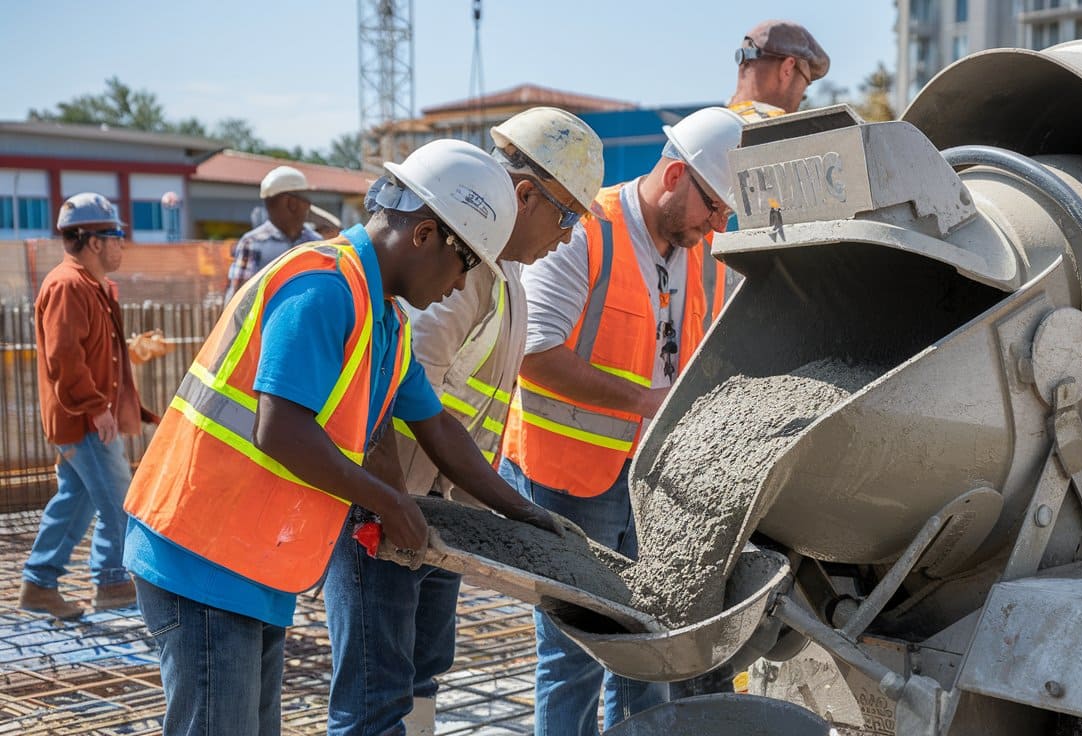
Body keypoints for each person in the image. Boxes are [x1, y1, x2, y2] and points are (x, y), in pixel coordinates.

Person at [122, 139, 571, 735]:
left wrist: (522, 511)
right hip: (200, 554)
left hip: (251, 561)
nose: (460, 286)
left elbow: (435, 425)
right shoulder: (323, 287)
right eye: (465, 266)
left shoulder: (382, 318)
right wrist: (392, 502)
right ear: (425, 236)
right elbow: (282, 430)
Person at [323, 108, 605, 736]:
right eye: (567, 218)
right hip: (386, 508)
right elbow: (388, 393)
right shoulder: (451, 272)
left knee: (420, 669)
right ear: (525, 194)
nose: (567, 238)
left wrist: (511, 509)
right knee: (375, 692)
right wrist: (390, 506)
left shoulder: (503, 279)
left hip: (436, 508)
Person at [497, 106, 744, 736]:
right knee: (576, 654)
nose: (718, 224)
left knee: (645, 645)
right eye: (712, 206)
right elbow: (534, 355)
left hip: (654, 477)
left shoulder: (705, 248)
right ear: (675, 176)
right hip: (569, 478)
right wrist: (645, 403)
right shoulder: (585, 229)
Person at [17, 193, 158, 620]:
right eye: (116, 235)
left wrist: (134, 403)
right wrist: (96, 407)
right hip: (85, 422)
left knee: (75, 501)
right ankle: (113, 580)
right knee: (119, 502)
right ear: (93, 241)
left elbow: (97, 354)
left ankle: (39, 583)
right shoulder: (67, 285)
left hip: (89, 418)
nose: (121, 244)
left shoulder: (93, 286)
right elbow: (64, 357)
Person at [224, 165, 320, 301]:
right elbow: (236, 302)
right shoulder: (252, 244)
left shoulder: (315, 243)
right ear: (291, 203)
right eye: (305, 198)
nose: (309, 205)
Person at [728, 19, 830, 121]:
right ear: (787, 69)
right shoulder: (783, 133)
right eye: (804, 90)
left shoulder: (716, 121)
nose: (800, 99)